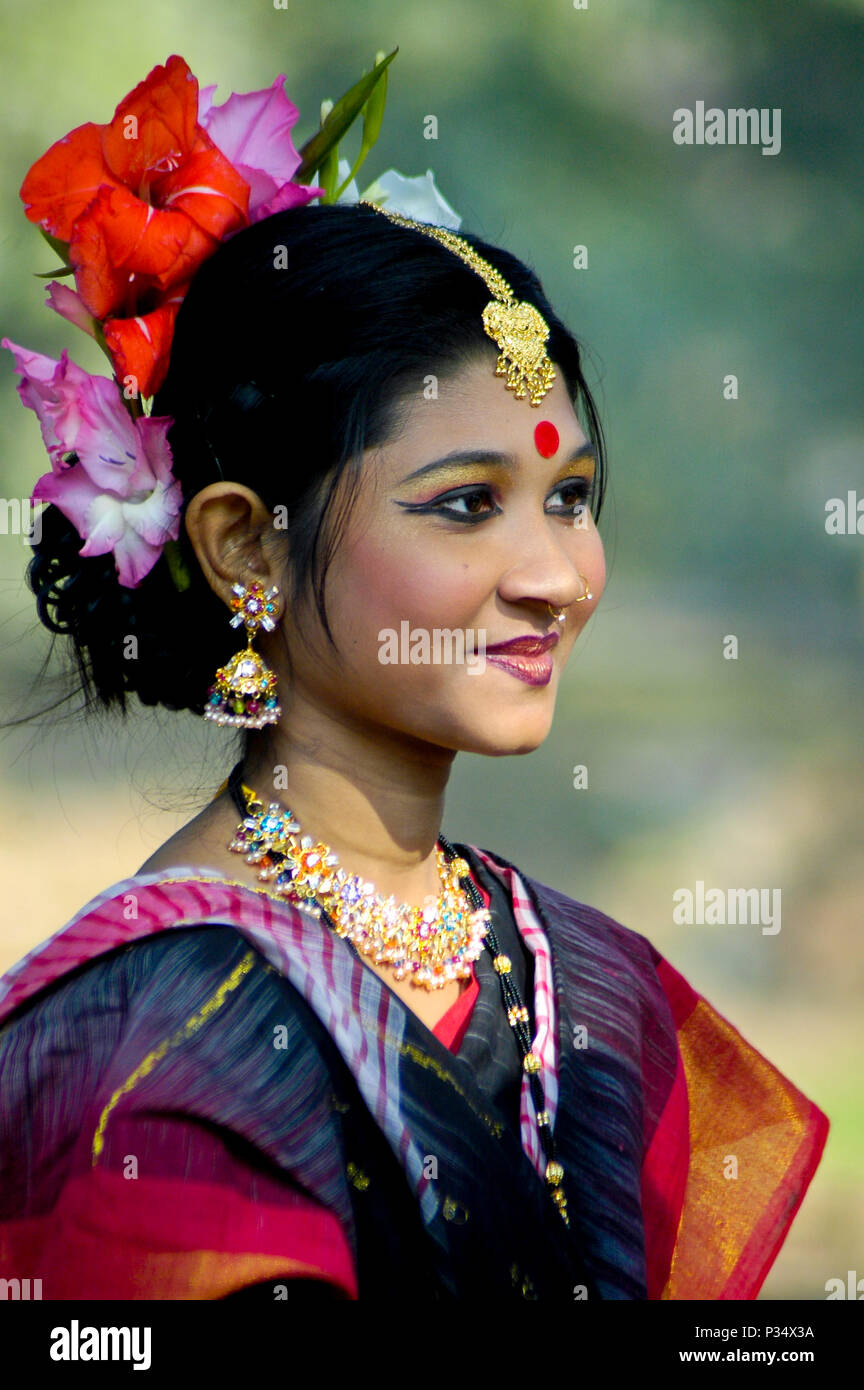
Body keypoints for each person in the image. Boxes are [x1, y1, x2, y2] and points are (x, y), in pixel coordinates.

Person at [0, 58, 828, 1302]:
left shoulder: (593, 990)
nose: (556, 576)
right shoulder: (171, 1030)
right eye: (465, 506)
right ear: (245, 546)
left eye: (572, 500)